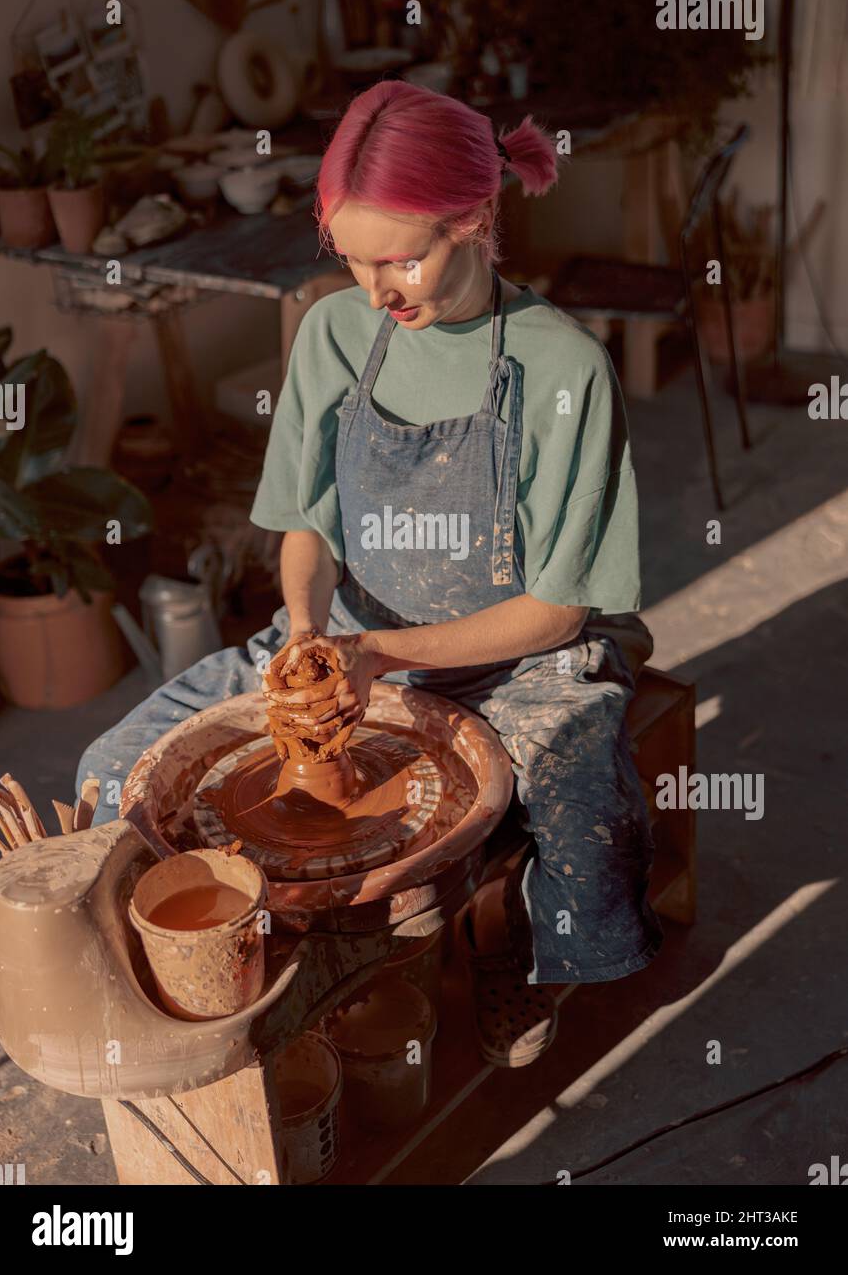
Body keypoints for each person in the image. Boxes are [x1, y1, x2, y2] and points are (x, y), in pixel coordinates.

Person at [77, 80, 663, 1068]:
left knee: (572, 793)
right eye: (351, 259)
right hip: (348, 631)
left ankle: (520, 954)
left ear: (476, 218)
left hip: (518, 652)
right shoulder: (332, 333)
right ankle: (208, 988)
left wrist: (378, 656)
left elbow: (559, 610)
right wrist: (309, 629)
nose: (377, 289)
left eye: (403, 258)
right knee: (115, 772)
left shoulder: (564, 368)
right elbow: (304, 526)